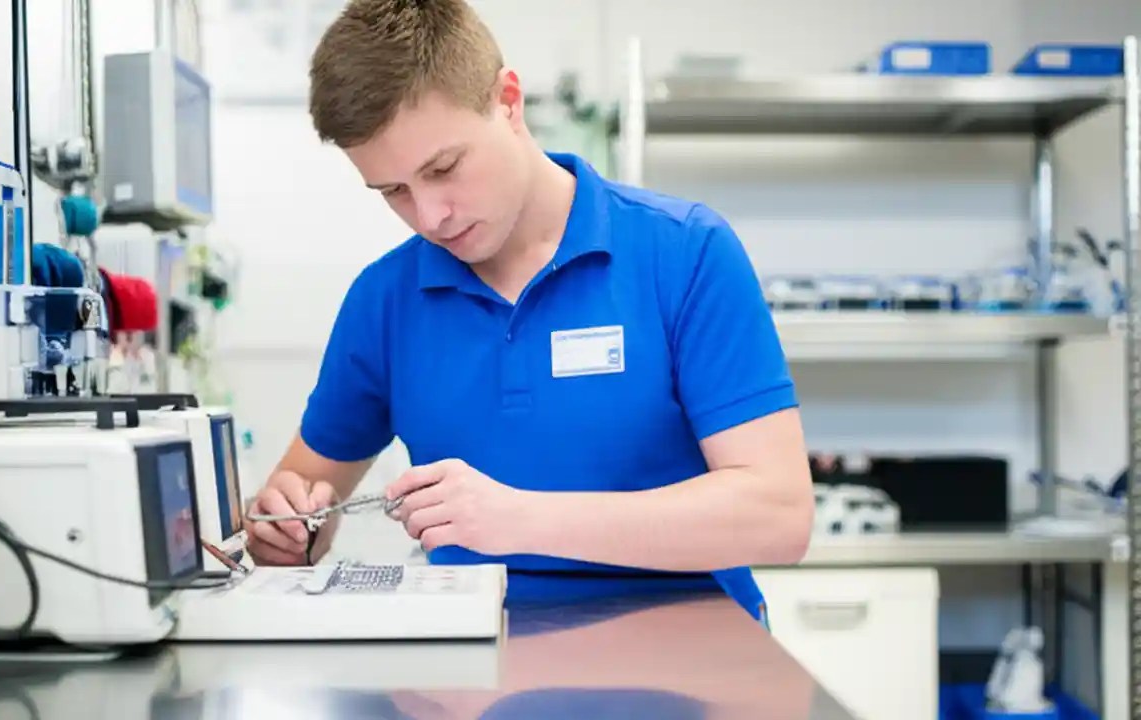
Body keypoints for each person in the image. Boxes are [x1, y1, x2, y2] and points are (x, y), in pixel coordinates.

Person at [245, 0, 814, 620]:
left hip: (689, 648)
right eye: (394, 191)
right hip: (477, 655)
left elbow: (779, 517)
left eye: (444, 168)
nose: (430, 216)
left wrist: (522, 519)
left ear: (508, 101)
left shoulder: (684, 253)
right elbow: (305, 501)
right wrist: (289, 530)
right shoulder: (383, 301)